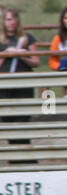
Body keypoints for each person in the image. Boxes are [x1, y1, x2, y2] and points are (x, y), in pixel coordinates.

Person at [2, 8, 39, 141]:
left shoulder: (27, 38)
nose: (11, 22)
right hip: (5, 84)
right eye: (8, 19)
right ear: (4, 22)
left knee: (23, 118)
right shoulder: (1, 39)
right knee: (6, 118)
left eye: (13, 19)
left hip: (24, 82)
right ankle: (15, 154)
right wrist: (6, 54)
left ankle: (24, 154)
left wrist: (22, 56)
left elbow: (36, 61)